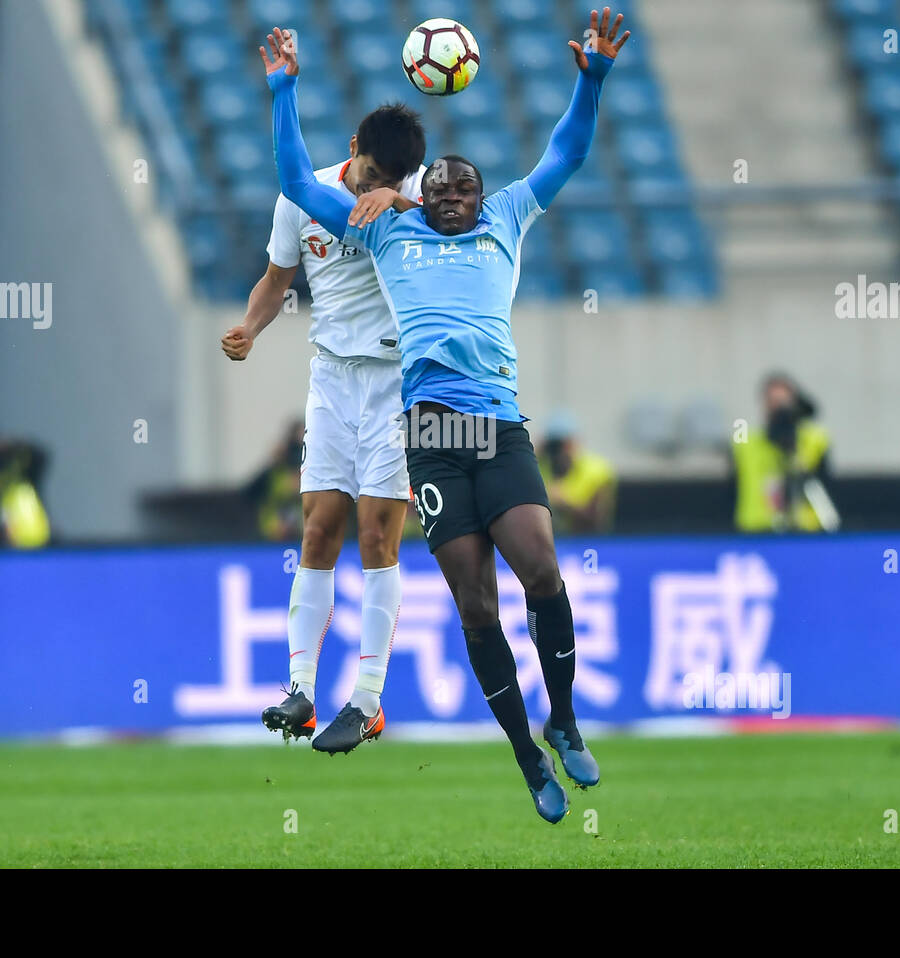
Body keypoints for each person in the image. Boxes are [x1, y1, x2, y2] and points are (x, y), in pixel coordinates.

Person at [261, 7, 630, 823]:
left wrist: (590, 82)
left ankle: (562, 720)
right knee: (474, 605)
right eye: (444, 189)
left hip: (495, 425)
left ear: (482, 197)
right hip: (428, 433)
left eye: (468, 187)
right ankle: (527, 758)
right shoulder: (388, 230)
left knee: (541, 570)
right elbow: (294, 183)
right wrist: (283, 91)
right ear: (421, 194)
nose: (458, 197)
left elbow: (565, 152)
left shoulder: (508, 218)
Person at [222, 105, 428, 753]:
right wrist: (250, 329)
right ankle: (300, 690)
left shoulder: (419, 197)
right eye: (367, 175)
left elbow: (456, 229)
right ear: (351, 150)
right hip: (332, 380)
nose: (371, 190)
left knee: (376, 534)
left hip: (396, 380)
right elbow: (276, 280)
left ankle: (366, 701)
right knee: (317, 528)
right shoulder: (304, 196)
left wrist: (396, 198)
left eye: (385, 181)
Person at [731, 372, 837, 532]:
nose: (778, 409)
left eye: (783, 402)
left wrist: (792, 449)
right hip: (756, 532)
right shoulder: (747, 443)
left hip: (806, 532)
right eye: (772, 402)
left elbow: (823, 487)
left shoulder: (814, 440)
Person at [538, 411, 618, 535]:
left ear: (575, 443)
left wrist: (565, 504)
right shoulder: (537, 466)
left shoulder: (597, 471)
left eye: (563, 444)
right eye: (554, 445)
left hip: (586, 542)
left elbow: (597, 522)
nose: (560, 451)